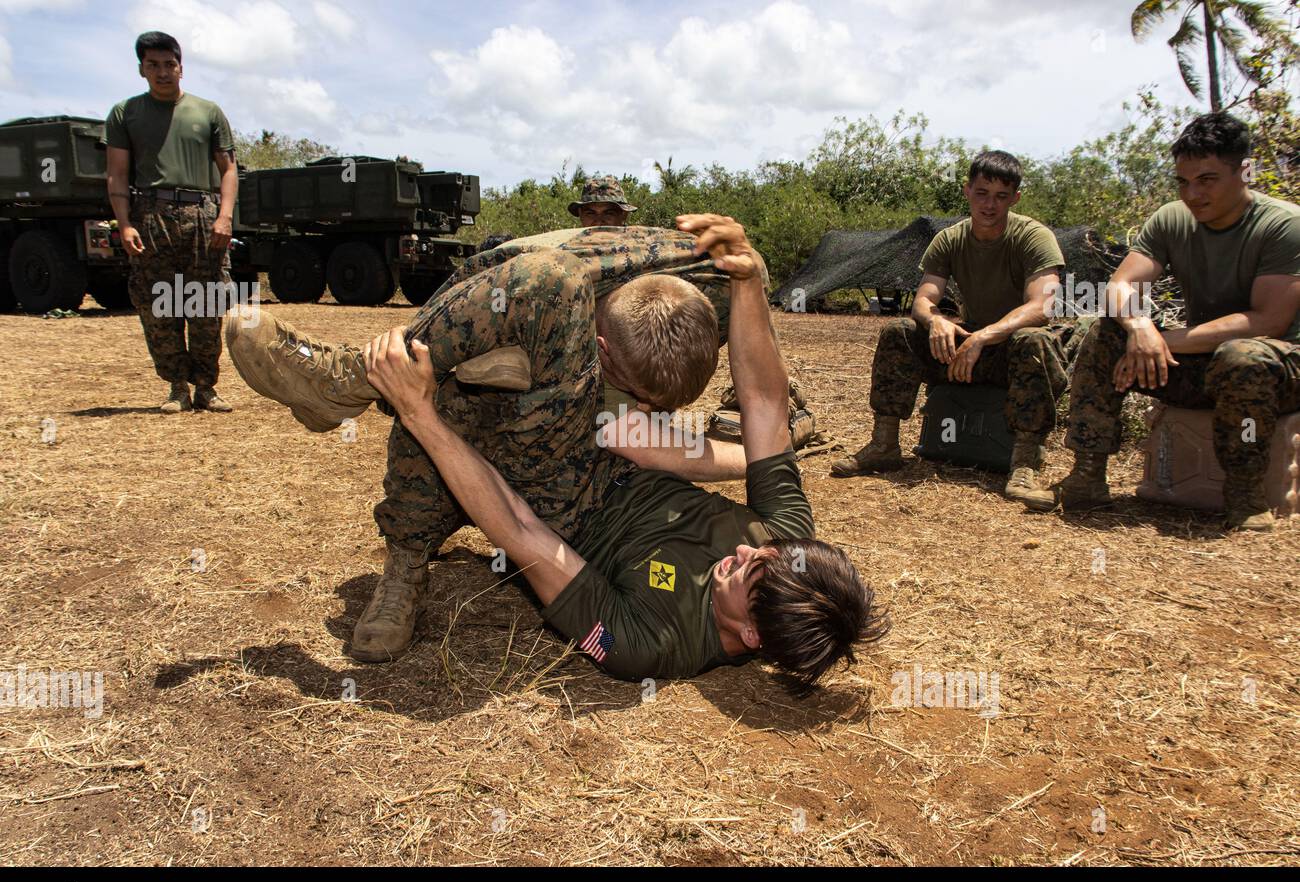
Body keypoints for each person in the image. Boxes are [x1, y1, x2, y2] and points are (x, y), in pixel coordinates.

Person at [226, 217, 886, 692]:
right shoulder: (791, 546)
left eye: (749, 575)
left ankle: (353, 381)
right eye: (761, 551)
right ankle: (499, 367)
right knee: (683, 268)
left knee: (514, 328)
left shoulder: (645, 645)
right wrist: (750, 280)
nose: (745, 550)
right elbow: (767, 410)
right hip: (623, 442)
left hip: (558, 496)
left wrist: (422, 415)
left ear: (752, 638)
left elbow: (523, 534)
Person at [1022, 113, 1300, 531]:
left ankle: (1245, 494)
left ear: (1244, 171)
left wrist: (1163, 341)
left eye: (1206, 180)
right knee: (1107, 331)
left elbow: (1267, 321)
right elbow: (1119, 286)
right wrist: (1139, 329)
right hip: (1201, 360)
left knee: (1242, 356)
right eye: (1183, 182)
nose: (1192, 194)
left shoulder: (1283, 225)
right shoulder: (1172, 218)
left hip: (1279, 368)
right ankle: (1087, 475)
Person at [830, 151, 1081, 504]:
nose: (990, 205)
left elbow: (1042, 306)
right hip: (970, 343)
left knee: (1032, 340)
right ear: (967, 191)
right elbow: (923, 299)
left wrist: (983, 336)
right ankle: (884, 444)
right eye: (982, 193)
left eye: (1001, 196)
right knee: (900, 331)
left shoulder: (1034, 237)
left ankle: (1024, 467)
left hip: (1009, 346)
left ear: (1016, 198)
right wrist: (936, 322)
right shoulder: (950, 239)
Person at [104, 31, 238, 414]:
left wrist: (225, 217)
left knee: (207, 304)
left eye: (169, 64)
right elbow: (116, 174)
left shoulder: (208, 111)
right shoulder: (125, 113)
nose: (163, 72)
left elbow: (228, 170)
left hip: (203, 218)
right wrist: (125, 224)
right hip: (151, 217)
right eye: (153, 65)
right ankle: (177, 387)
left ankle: (206, 387)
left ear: (181, 66)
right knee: (159, 307)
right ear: (141, 69)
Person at [569, 176, 636, 227]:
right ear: (581, 214)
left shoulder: (638, 243)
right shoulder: (567, 243)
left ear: (623, 215)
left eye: (608, 214)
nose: (598, 222)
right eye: (590, 214)